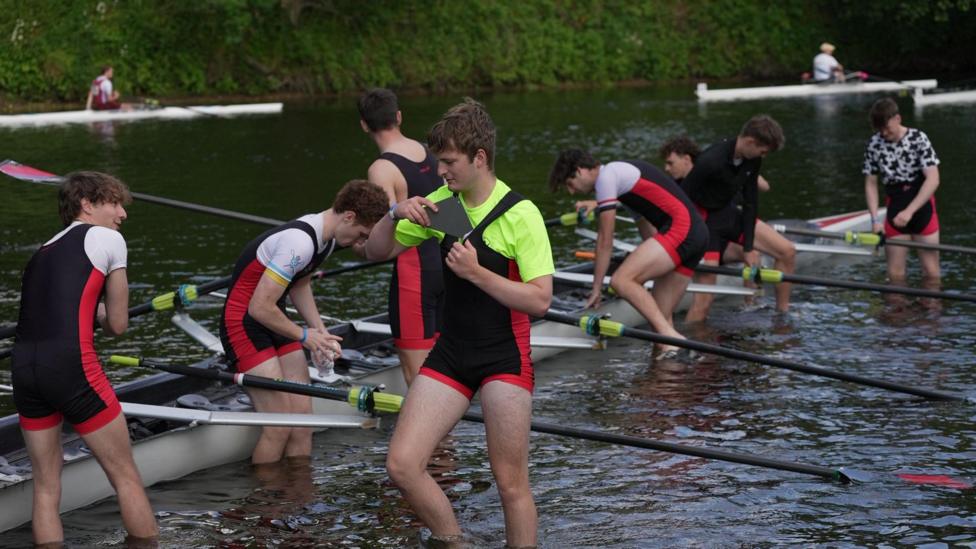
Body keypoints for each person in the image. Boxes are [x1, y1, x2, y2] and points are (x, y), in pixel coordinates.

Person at [365, 98, 553, 547]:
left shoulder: (520, 214)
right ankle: (454, 541)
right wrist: (393, 214)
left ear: (479, 157)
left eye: (448, 162)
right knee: (402, 464)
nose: (441, 171)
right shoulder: (442, 206)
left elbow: (541, 300)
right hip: (451, 354)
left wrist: (476, 272)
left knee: (510, 484)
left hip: (504, 359)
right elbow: (374, 252)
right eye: (438, 162)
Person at [11, 172, 157, 545]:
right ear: (87, 204)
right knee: (125, 475)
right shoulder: (108, 238)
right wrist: (105, 311)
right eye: (115, 203)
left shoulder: (41, 252)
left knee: (46, 486)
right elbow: (118, 325)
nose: (122, 213)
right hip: (71, 368)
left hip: (24, 369)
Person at [218, 179, 388, 464]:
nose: (361, 242)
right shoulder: (299, 241)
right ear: (349, 216)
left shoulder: (327, 240)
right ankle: (268, 505)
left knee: (302, 424)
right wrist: (305, 336)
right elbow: (258, 307)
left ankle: (298, 501)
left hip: (274, 318)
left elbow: (299, 285)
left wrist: (320, 333)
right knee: (279, 426)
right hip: (243, 323)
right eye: (362, 233)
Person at [549, 150, 707, 357]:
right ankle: (671, 373)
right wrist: (644, 263)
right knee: (659, 320)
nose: (572, 192)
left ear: (579, 171)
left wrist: (597, 288)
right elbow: (648, 233)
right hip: (697, 235)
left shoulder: (607, 177)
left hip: (683, 230)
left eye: (569, 184)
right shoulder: (624, 183)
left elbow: (605, 239)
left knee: (621, 280)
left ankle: (677, 340)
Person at [358, 88, 445, 386]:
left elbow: (383, 236)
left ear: (364, 125)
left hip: (414, 276)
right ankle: (450, 435)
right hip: (449, 265)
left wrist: (360, 247)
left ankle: (437, 435)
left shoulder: (382, 169)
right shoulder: (432, 152)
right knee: (446, 376)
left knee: (419, 381)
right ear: (398, 116)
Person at [680, 115, 796, 322]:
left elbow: (751, 201)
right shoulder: (710, 160)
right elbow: (681, 201)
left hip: (728, 213)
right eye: (764, 151)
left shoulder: (753, 159)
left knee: (787, 251)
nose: (764, 156)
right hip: (704, 223)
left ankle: (782, 315)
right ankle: (687, 350)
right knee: (704, 301)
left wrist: (749, 247)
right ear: (750, 142)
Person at [863, 97, 941, 288]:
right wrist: (874, 220)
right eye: (879, 129)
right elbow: (871, 184)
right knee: (895, 276)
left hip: (922, 209)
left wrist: (910, 212)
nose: (884, 133)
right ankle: (897, 315)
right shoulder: (874, 144)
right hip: (895, 208)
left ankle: (930, 315)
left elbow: (933, 179)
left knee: (931, 274)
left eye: (887, 128)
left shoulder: (918, 138)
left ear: (897, 119)